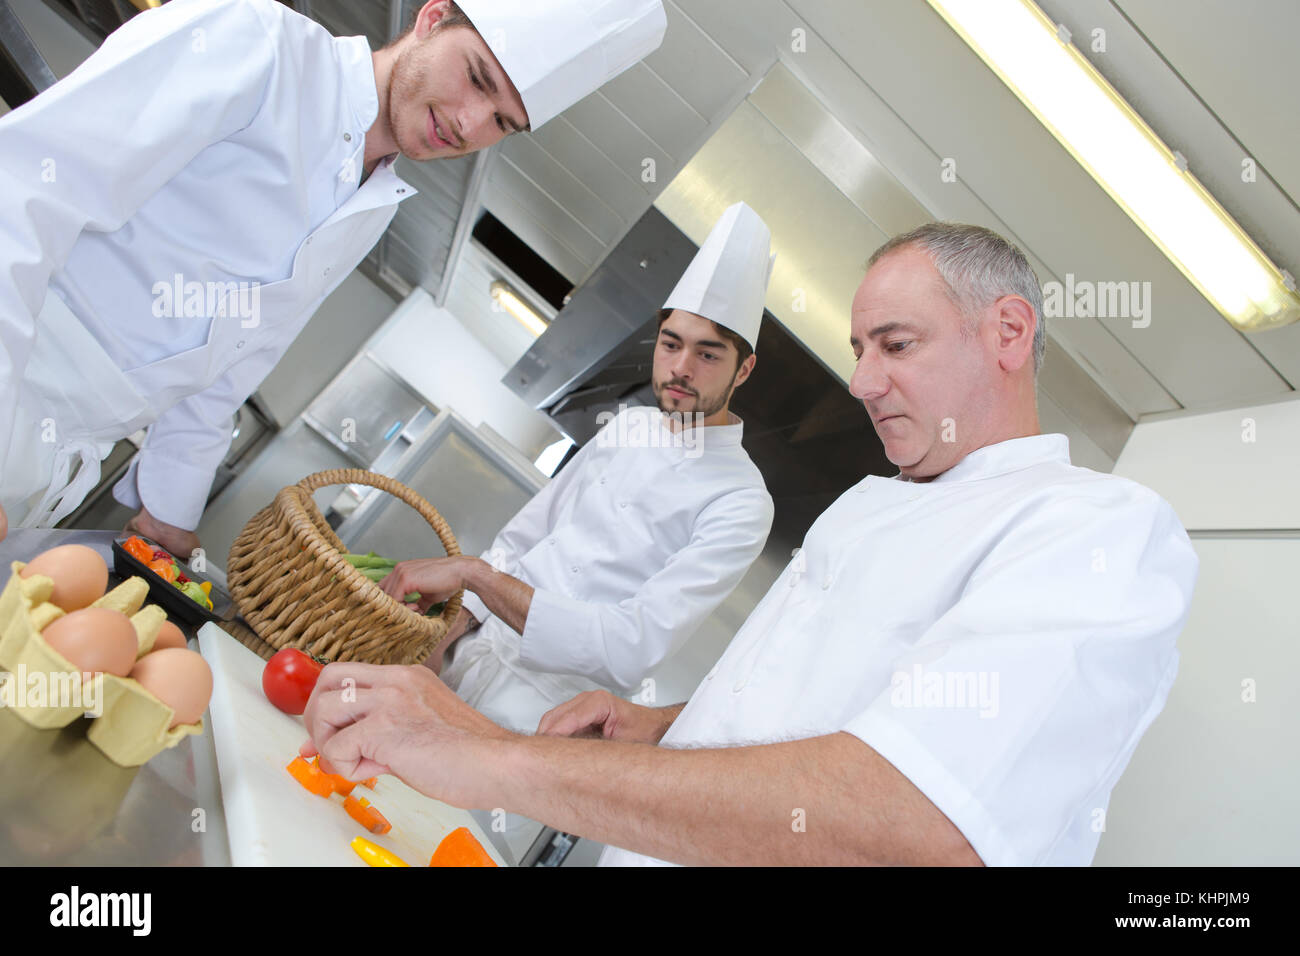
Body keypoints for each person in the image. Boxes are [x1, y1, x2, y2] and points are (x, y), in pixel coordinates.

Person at [301, 221, 1199, 866]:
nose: (860, 381)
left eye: (894, 345)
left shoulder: (1097, 530)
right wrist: (663, 726)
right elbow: (794, 707)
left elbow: (917, 817)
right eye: (858, 349)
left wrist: (494, 758)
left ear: (1007, 332)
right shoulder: (868, 506)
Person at [0, 0, 666, 549]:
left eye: (501, 122)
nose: (469, 122)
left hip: (53, 465)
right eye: (478, 78)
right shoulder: (258, 44)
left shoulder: (372, 207)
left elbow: (229, 364)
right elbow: (26, 190)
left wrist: (170, 514)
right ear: (433, 18)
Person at [378, 202, 776, 734]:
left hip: (539, 715)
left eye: (708, 355)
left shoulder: (742, 501)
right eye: (670, 344)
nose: (680, 368)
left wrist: (473, 575)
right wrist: (447, 633)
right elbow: (523, 540)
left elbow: (630, 647)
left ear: (743, 368)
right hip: (468, 655)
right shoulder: (628, 425)